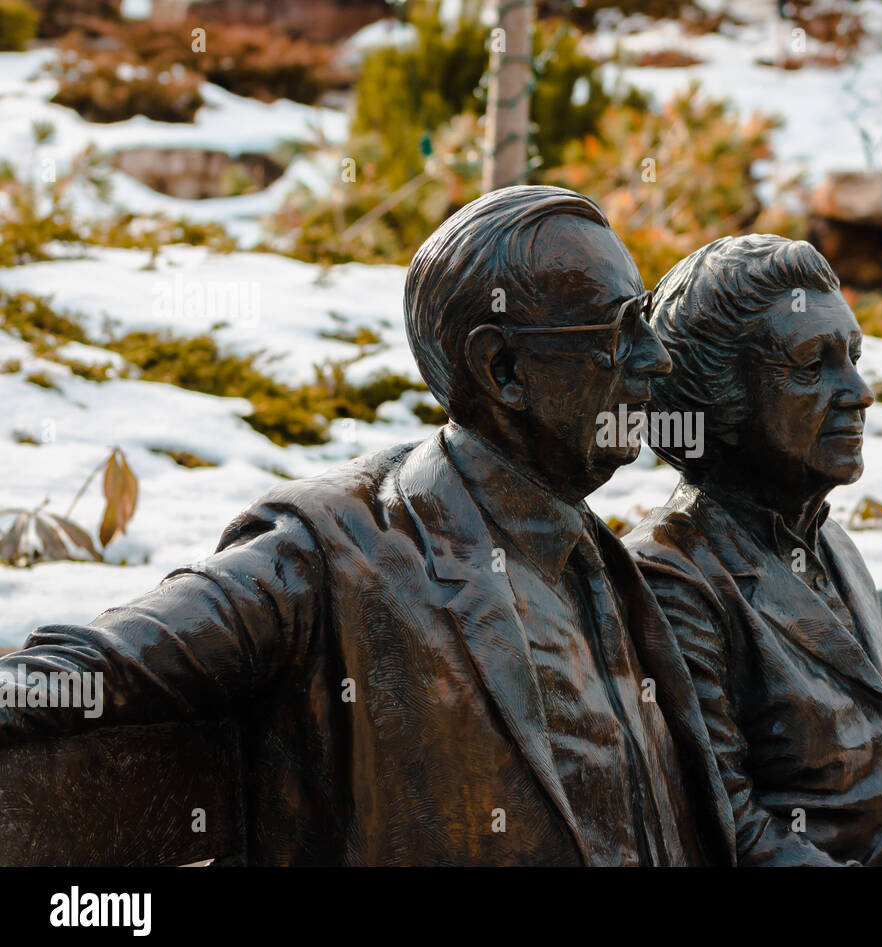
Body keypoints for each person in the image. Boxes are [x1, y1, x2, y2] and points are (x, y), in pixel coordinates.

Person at [0, 186, 733, 866]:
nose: (656, 358)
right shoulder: (331, 552)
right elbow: (97, 666)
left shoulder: (602, 561)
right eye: (620, 330)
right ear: (503, 368)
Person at [623, 234, 882, 866]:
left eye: (854, 357)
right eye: (812, 365)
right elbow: (730, 832)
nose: (859, 391)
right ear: (717, 399)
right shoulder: (674, 579)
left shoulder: (831, 544)